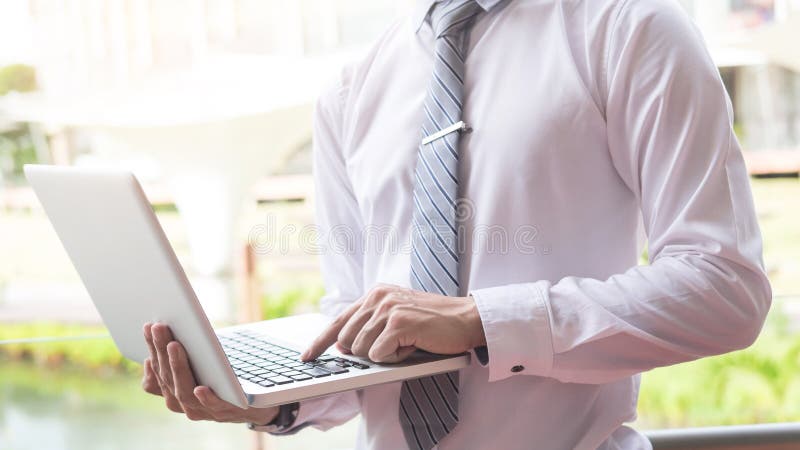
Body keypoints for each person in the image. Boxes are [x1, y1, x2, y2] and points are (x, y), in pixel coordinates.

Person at [141, 0, 772, 449]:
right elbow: (355, 317)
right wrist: (268, 399)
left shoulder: (630, 27)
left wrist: (480, 321)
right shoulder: (349, 88)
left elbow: (724, 290)